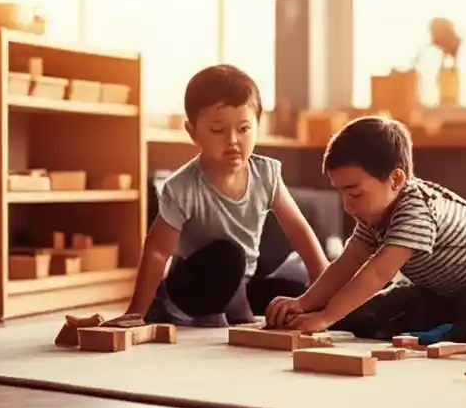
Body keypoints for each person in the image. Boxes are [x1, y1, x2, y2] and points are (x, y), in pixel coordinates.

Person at [265, 115, 466, 343]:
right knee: (360, 315)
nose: (347, 206)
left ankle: (456, 330)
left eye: (355, 193)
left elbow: (378, 273)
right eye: (341, 192)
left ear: (396, 180)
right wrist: (304, 303)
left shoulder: (417, 210)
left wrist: (325, 318)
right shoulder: (372, 215)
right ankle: (447, 326)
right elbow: (347, 262)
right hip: (434, 290)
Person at [117, 65, 329, 327]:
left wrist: (322, 283)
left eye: (243, 129)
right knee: (229, 255)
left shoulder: (266, 174)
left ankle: (239, 305)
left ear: (258, 126)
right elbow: (157, 252)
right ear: (193, 132)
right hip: (195, 287)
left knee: (292, 294)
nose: (232, 141)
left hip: (244, 282)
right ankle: (218, 312)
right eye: (218, 130)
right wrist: (135, 314)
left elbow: (299, 230)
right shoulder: (182, 187)